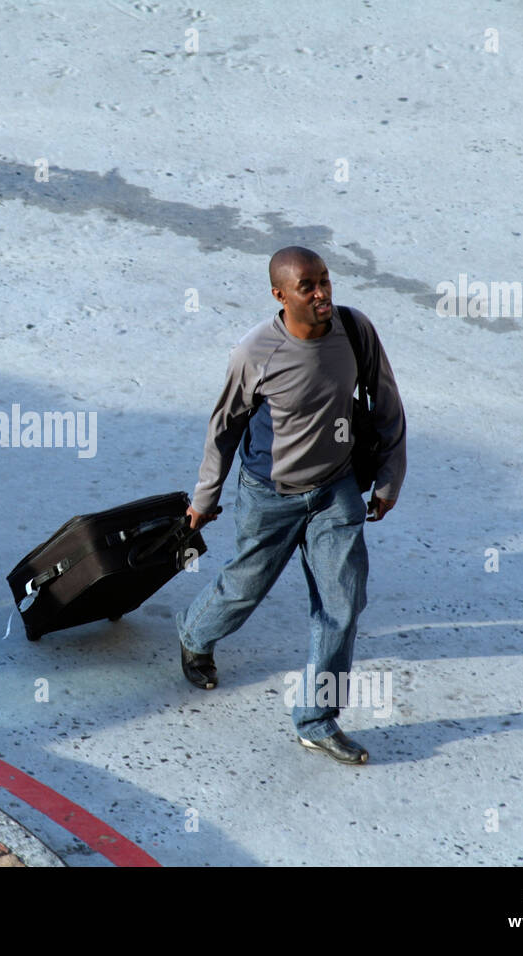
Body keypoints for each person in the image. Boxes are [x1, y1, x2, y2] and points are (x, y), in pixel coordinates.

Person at [176, 246, 406, 763]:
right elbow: (224, 428)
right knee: (244, 588)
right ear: (280, 296)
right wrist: (205, 499)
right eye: (309, 287)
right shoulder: (255, 353)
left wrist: (389, 478)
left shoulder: (355, 329)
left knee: (342, 605)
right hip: (269, 494)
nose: (323, 293)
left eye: (325, 281)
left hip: (336, 491)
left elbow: (386, 401)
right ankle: (194, 635)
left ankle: (316, 720)